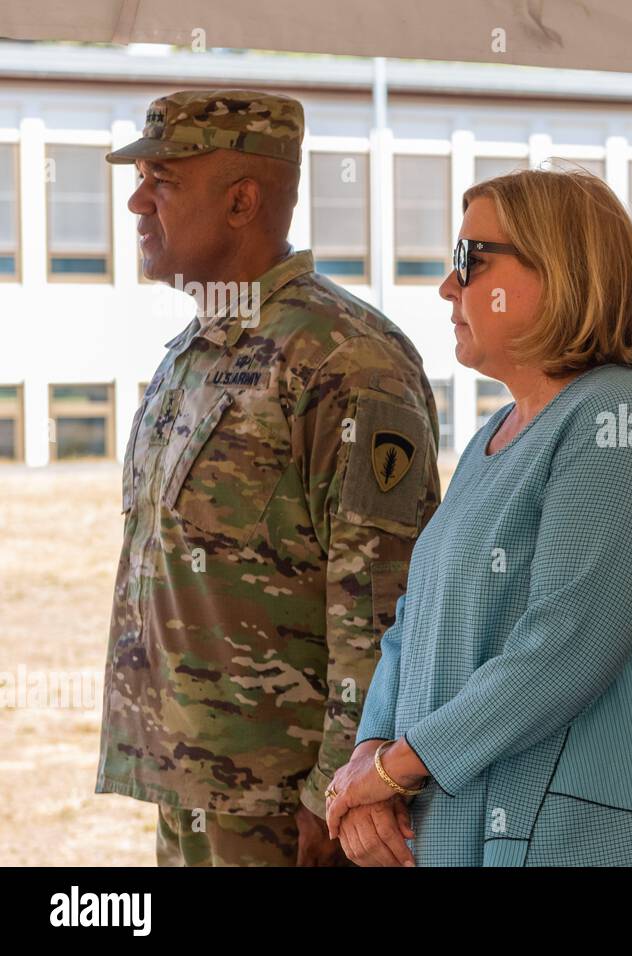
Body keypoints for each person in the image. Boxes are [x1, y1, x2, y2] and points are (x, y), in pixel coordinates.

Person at [322, 168, 632, 867]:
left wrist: (393, 769)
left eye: (469, 261)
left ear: (563, 270)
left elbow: (563, 649)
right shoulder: (494, 437)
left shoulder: (621, 421)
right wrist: (370, 760)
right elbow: (412, 627)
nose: (448, 287)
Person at [95, 90, 442, 866]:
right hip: (194, 781)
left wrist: (338, 782)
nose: (136, 201)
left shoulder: (345, 358)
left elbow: (387, 597)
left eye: (163, 181)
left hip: (288, 804)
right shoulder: (195, 350)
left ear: (242, 201)